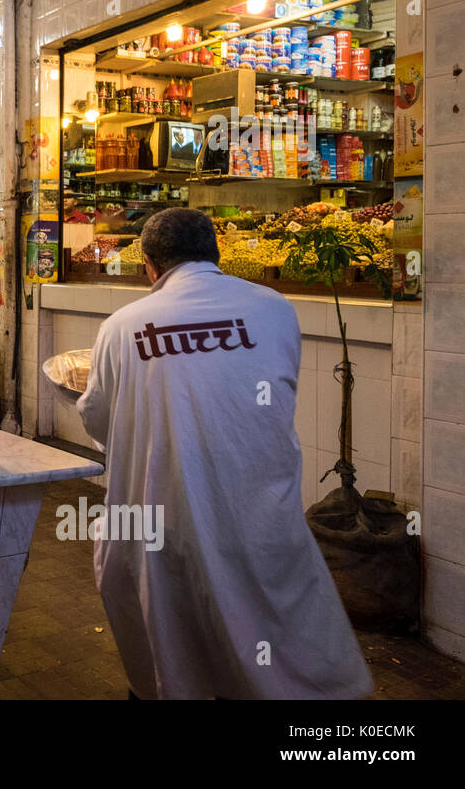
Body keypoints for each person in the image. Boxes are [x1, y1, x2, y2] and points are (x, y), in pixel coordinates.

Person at [76, 207, 371, 700]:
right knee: (265, 632)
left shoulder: (123, 326)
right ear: (214, 254)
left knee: (172, 627)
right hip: (256, 505)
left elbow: (100, 417)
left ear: (150, 264)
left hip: (162, 512)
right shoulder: (274, 308)